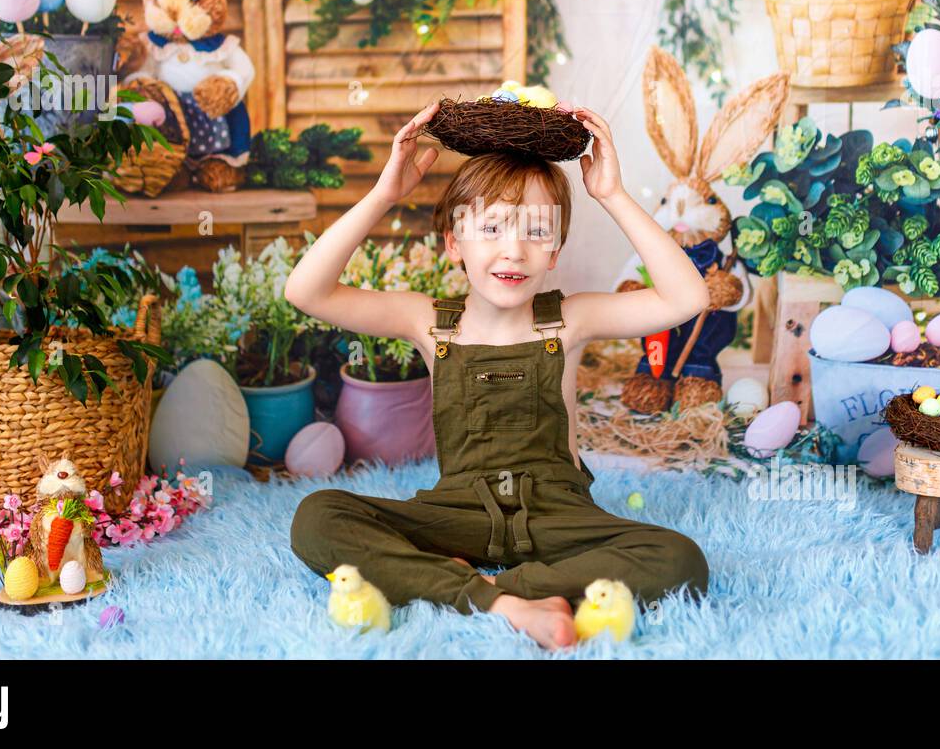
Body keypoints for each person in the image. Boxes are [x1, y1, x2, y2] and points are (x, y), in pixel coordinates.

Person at [284, 101, 711, 649]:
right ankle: (500, 601)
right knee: (317, 516)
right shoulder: (428, 322)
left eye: (537, 231)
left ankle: (473, 584)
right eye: (490, 228)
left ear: (554, 251)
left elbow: (687, 296)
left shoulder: (570, 318)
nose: (514, 249)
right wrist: (384, 194)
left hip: (556, 515)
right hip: (459, 512)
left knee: (679, 558)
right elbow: (306, 291)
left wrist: (612, 195)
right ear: (454, 244)